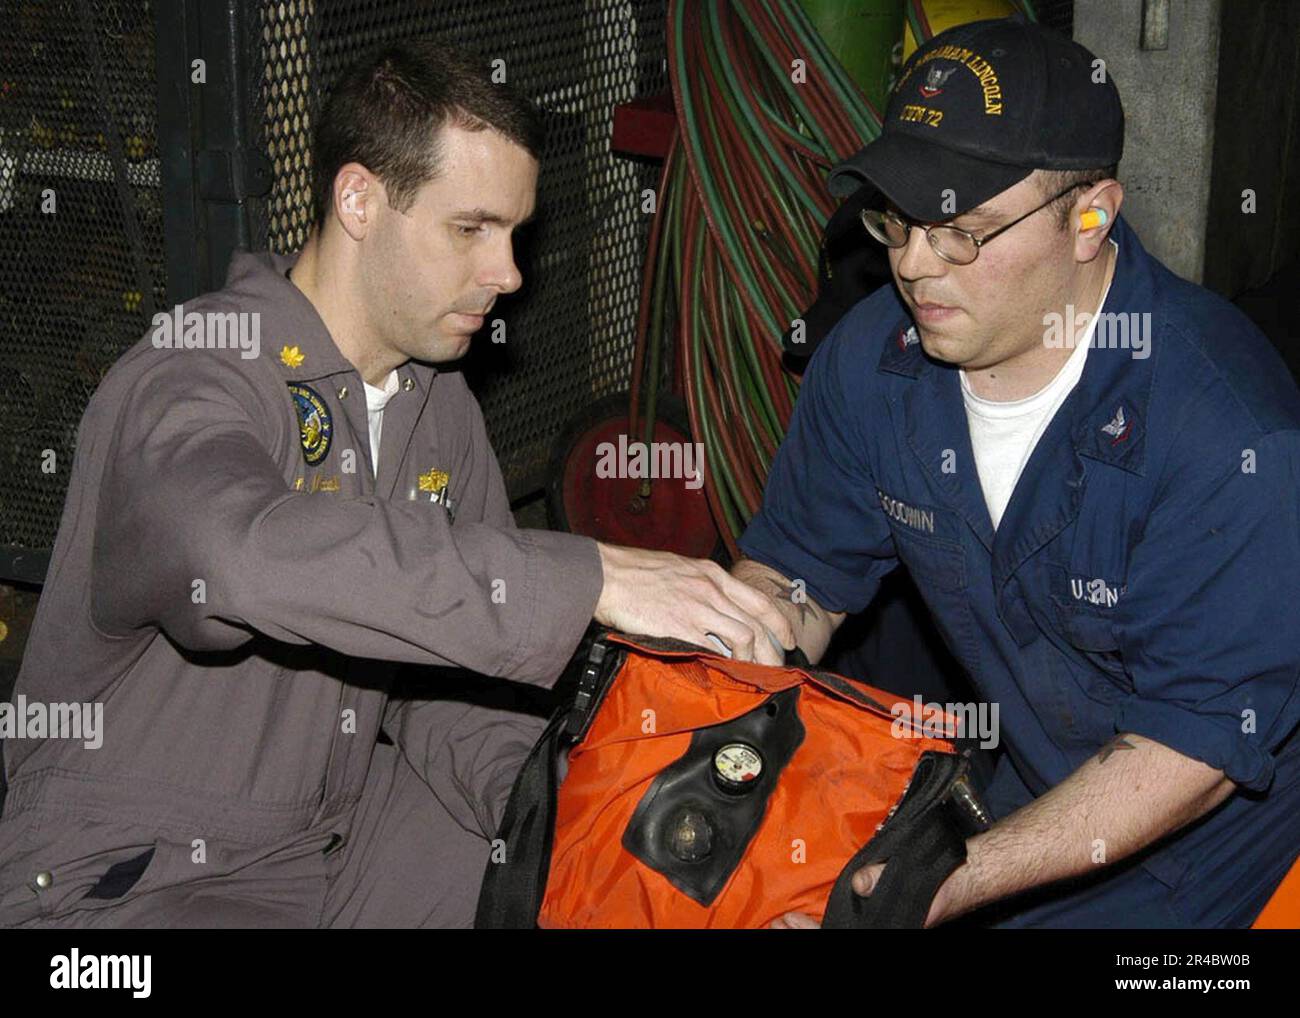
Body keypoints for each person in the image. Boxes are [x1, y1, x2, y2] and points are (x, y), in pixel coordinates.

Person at [0, 39, 793, 929]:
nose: (510, 275)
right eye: (471, 230)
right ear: (360, 200)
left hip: (333, 840)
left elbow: (455, 691)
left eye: (514, 234)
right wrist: (593, 578)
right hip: (131, 872)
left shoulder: (437, 406)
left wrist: (572, 833)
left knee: (613, 866)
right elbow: (232, 556)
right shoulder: (198, 371)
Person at [734, 15, 1300, 928]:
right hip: (1024, 785)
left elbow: (1191, 753)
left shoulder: (1226, 433)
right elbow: (801, 577)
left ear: (1091, 218)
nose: (914, 265)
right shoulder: (874, 362)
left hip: (1211, 862)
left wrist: (936, 884)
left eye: (962, 231)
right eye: (898, 220)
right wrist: (726, 656)